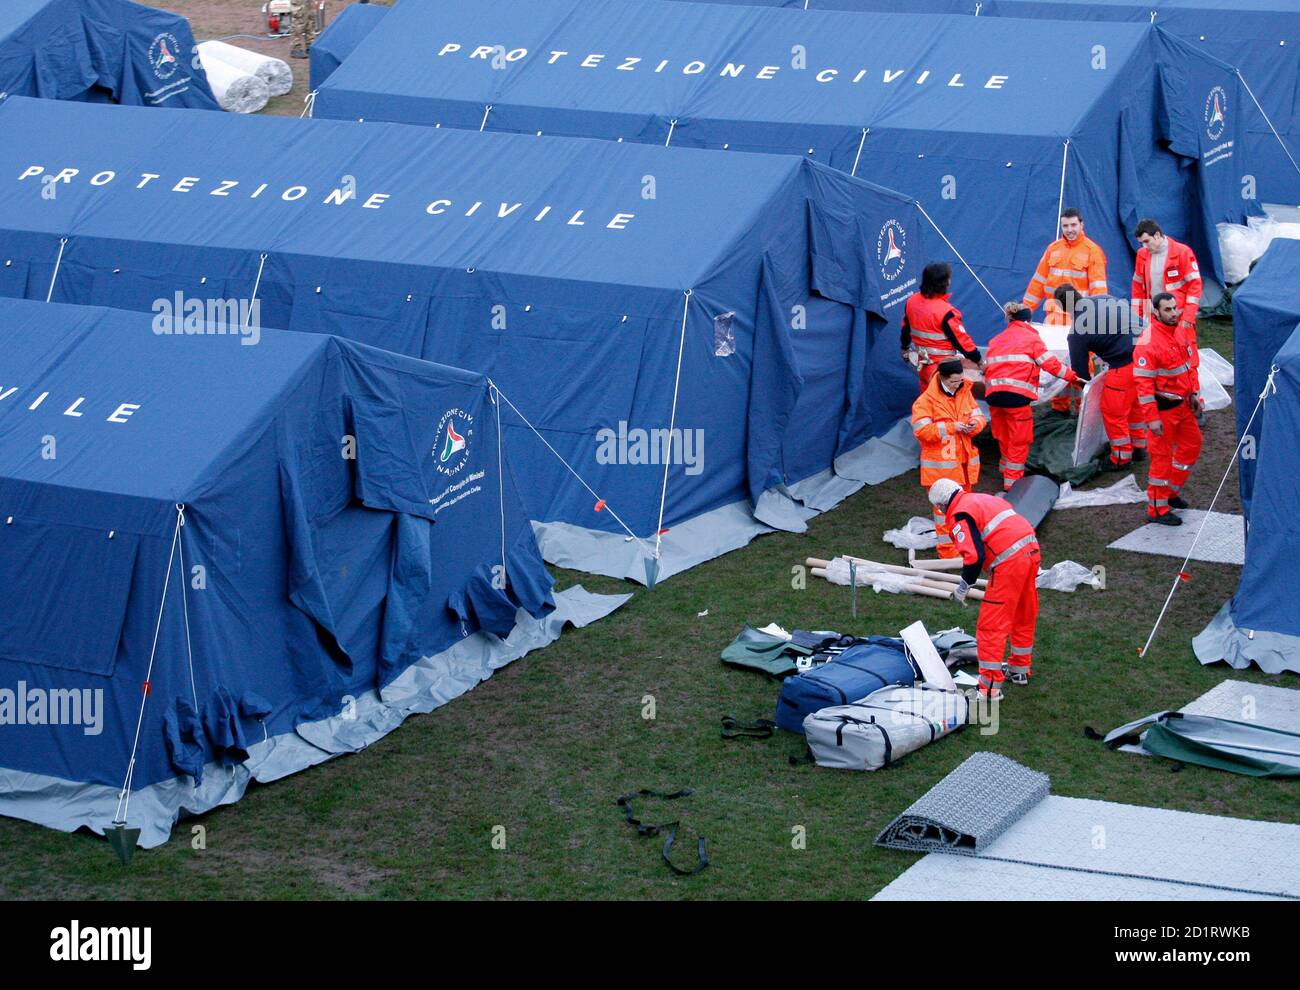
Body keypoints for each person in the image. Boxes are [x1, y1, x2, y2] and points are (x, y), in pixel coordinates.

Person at [929, 478, 1041, 701]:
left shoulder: (959, 514)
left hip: (1009, 563)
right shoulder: (979, 499)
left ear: (941, 504)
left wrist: (963, 586)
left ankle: (989, 688)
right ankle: (1019, 669)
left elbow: (974, 557)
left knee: (991, 626)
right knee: (1023, 613)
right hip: (1031, 552)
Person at [983, 302, 1081, 491]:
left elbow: (987, 367)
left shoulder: (996, 340)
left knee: (1002, 434)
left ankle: (1005, 468)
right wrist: (1072, 376)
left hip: (993, 395)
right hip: (1016, 397)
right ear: (1028, 320)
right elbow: (1051, 364)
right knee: (1020, 439)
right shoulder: (1031, 339)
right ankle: (1012, 483)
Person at [1134, 293, 1203, 526]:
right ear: (1155, 312)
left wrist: (1194, 393)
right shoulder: (1149, 342)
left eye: (1175, 308)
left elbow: (1189, 366)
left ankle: (1170, 492)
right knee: (1161, 459)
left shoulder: (1179, 332)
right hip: (1163, 411)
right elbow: (1143, 386)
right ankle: (1156, 509)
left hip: (1182, 405)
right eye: (1168, 310)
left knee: (1193, 445)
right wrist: (1152, 419)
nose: (1174, 313)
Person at [1059, 285, 1144, 470]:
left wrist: (1087, 393)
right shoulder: (1105, 298)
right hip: (1148, 351)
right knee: (1134, 403)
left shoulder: (1076, 332)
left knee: (1113, 410)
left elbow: (1080, 371)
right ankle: (1139, 446)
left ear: (1064, 309)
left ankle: (1121, 457)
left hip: (1125, 362)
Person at [912, 359, 985, 558]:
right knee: (944, 512)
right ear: (942, 379)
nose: (958, 384)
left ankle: (963, 545)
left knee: (964, 508)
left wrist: (973, 425)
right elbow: (922, 431)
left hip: (963, 465)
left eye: (960, 380)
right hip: (941, 471)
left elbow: (979, 417)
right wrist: (953, 427)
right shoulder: (925, 402)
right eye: (954, 381)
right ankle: (947, 552)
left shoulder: (964, 391)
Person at [900, 262, 981, 393]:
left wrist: (904, 348)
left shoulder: (911, 302)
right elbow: (962, 342)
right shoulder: (946, 312)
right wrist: (979, 361)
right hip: (943, 369)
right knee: (944, 406)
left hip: (922, 364)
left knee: (926, 403)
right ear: (945, 283)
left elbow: (905, 329)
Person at [1022, 207, 1108, 325]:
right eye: (1065, 226)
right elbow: (1038, 282)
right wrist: (1025, 310)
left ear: (1081, 225)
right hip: (1052, 316)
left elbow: (1098, 289)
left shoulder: (1093, 251)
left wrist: (1097, 318)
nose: (1069, 230)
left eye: (1073, 225)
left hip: (1078, 317)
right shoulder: (1053, 249)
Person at [1131, 219, 1203, 348]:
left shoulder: (1182, 252)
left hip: (1177, 316)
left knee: (1185, 355)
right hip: (1153, 316)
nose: (1144, 247)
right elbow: (1137, 288)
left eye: (1147, 241)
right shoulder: (1142, 255)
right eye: (1141, 243)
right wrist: (1138, 317)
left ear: (1157, 235)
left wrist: (1188, 316)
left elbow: (1195, 286)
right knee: (1151, 354)